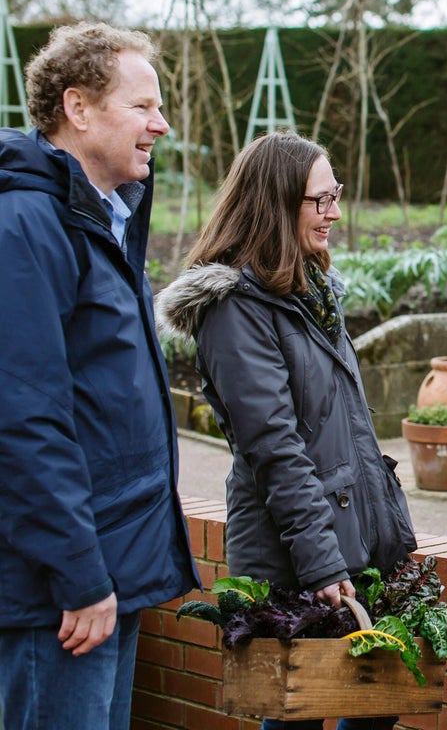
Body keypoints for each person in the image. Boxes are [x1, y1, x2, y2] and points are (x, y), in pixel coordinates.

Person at [155, 131, 417, 730]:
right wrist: (325, 565)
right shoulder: (235, 309)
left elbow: (344, 431)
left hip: (349, 542)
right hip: (295, 557)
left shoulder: (310, 291)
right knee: (299, 714)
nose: (335, 213)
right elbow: (277, 449)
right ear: (277, 204)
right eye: (320, 201)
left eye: (336, 196)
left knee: (372, 706)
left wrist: (388, 534)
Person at [0, 22, 200, 729]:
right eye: (142, 106)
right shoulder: (27, 225)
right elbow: (24, 420)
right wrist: (80, 576)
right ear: (77, 108)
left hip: (107, 577)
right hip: (60, 593)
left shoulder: (103, 219)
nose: (162, 124)